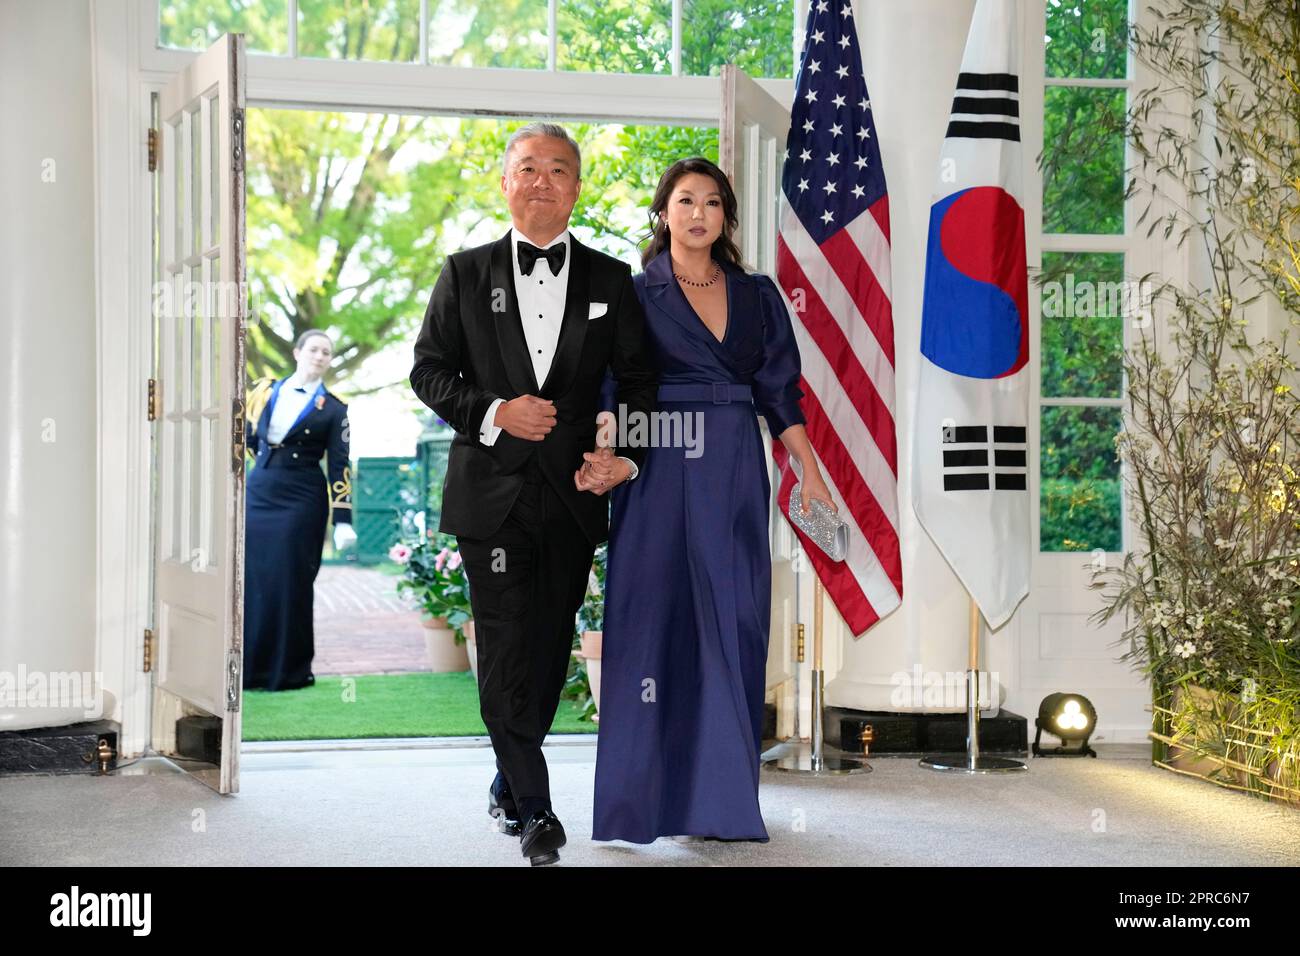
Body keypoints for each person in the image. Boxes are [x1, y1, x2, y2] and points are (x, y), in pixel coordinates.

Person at [409, 123, 658, 866]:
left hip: (574, 494)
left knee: (550, 654)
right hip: (492, 495)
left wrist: (625, 458)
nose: (542, 180)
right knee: (507, 646)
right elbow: (427, 370)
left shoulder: (614, 281)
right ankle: (538, 811)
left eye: (558, 169)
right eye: (528, 168)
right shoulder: (462, 272)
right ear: (505, 183)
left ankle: (506, 779)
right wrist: (494, 414)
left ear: (577, 187)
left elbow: (642, 385)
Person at [590, 157, 837, 844]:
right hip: (658, 461)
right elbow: (611, 387)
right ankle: (640, 805)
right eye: (684, 200)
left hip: (732, 460)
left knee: (735, 621)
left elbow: (781, 392)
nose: (698, 213)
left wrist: (808, 472)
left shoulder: (759, 296)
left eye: (712, 202)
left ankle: (722, 803)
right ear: (662, 212)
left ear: (725, 216)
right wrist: (608, 454)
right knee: (653, 622)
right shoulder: (634, 294)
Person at [243, 330, 356, 691]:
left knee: (290, 579)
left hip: (302, 500)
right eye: (314, 349)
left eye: (327, 352)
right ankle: (250, 669)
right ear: (297, 352)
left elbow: (340, 465)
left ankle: (289, 671)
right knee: (255, 578)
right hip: (259, 492)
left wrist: (343, 520)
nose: (320, 356)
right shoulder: (262, 390)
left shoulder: (336, 409)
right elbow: (244, 435)